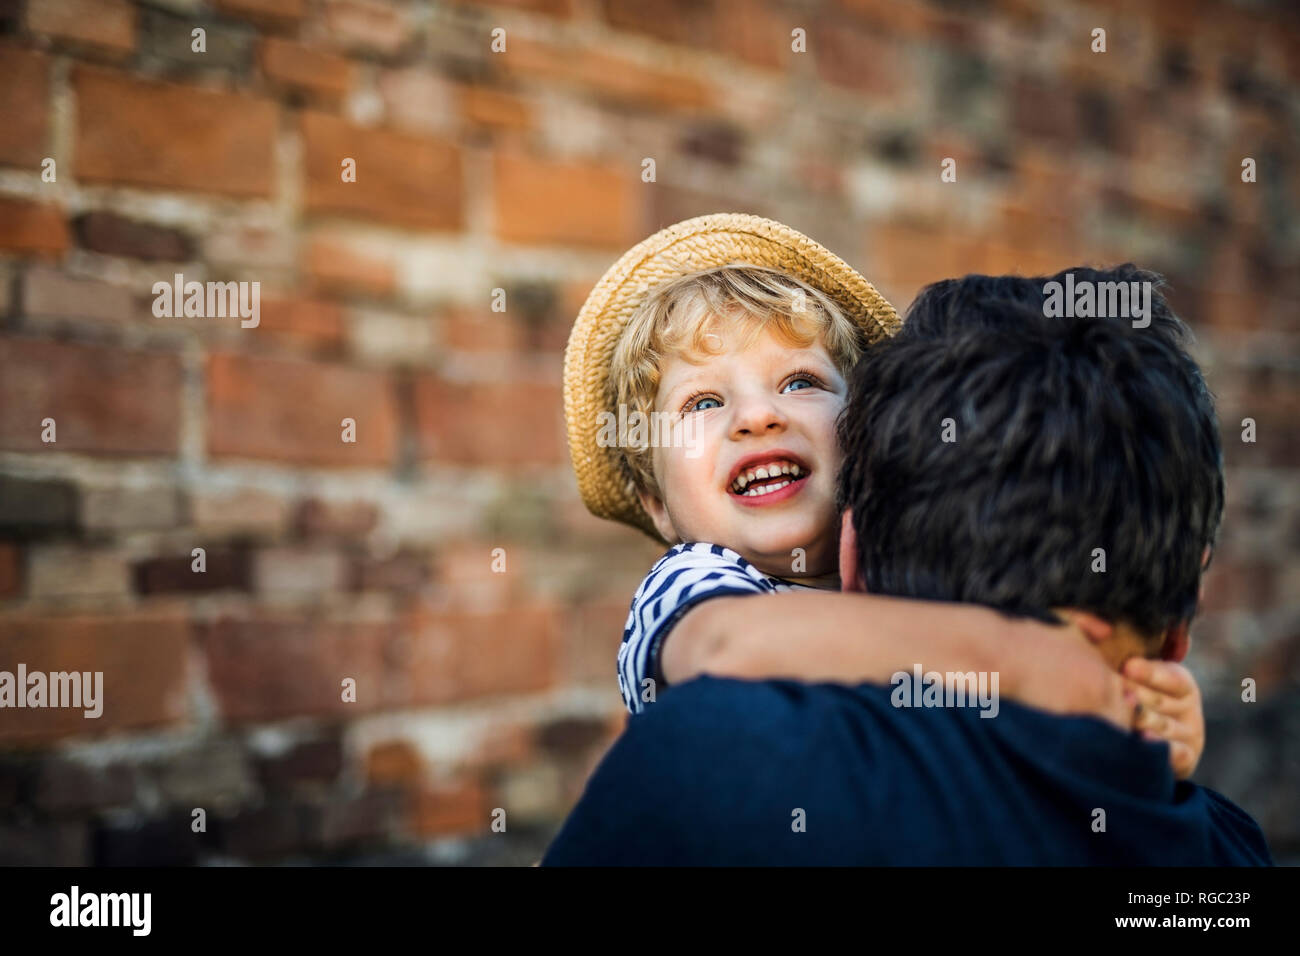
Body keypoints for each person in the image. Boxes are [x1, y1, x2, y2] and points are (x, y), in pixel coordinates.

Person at [543, 266, 1272, 865]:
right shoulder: (695, 582)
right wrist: (1028, 657)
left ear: (859, 445)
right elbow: (733, 647)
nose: (758, 416)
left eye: (800, 383)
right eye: (702, 401)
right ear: (656, 507)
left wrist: (1159, 735)